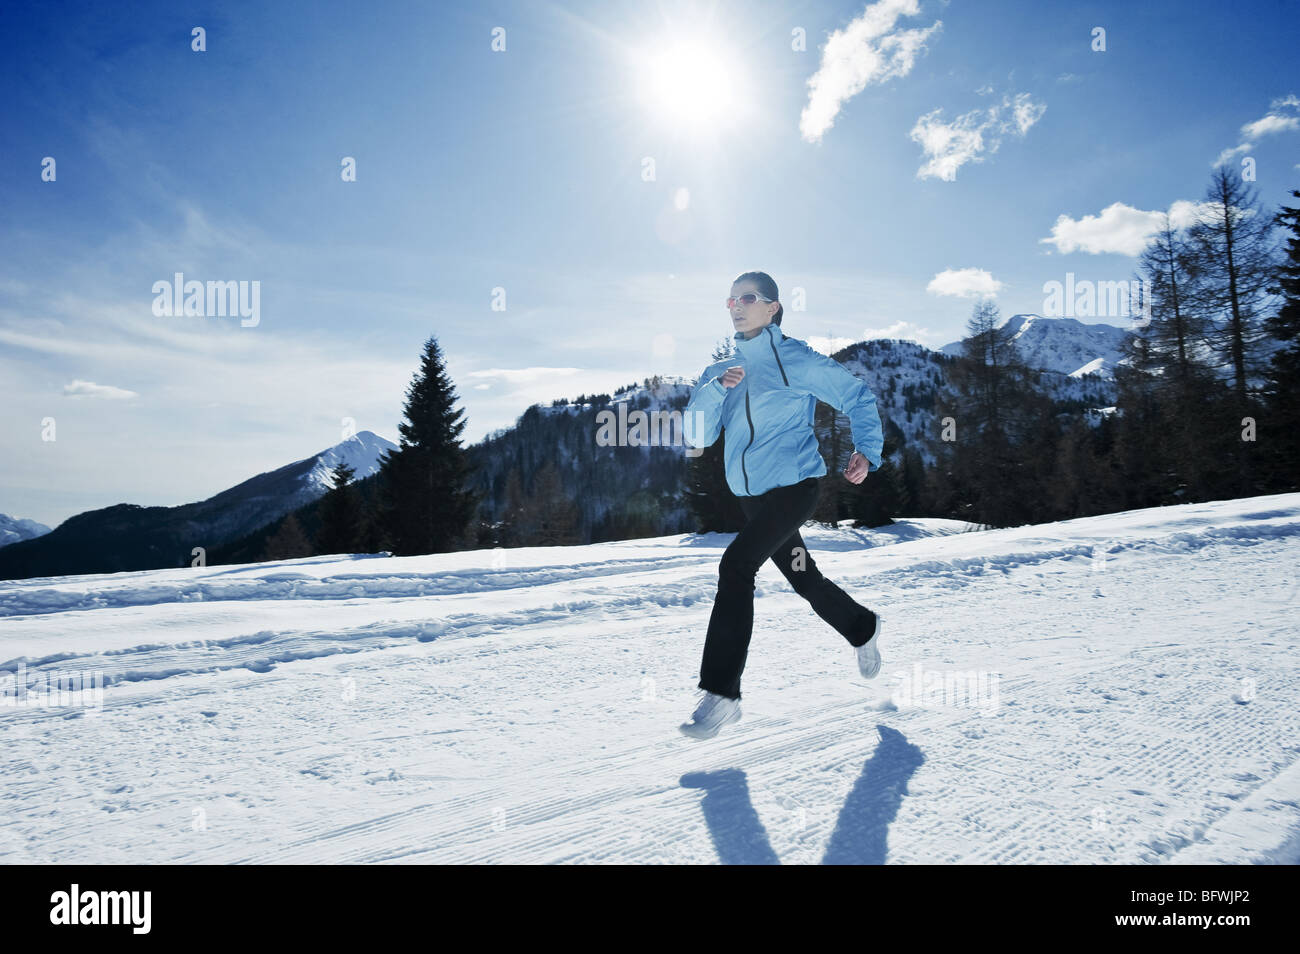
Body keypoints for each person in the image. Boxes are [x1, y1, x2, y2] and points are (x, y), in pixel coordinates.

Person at [679, 271, 886, 739]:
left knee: (736, 567)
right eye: (730, 299)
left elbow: (856, 396)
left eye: (747, 297)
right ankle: (863, 627)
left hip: (795, 487)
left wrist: (866, 450)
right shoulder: (720, 372)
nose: (736, 305)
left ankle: (722, 694)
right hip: (751, 497)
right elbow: (697, 437)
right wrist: (714, 392)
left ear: (773, 308)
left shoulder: (794, 358)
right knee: (803, 576)